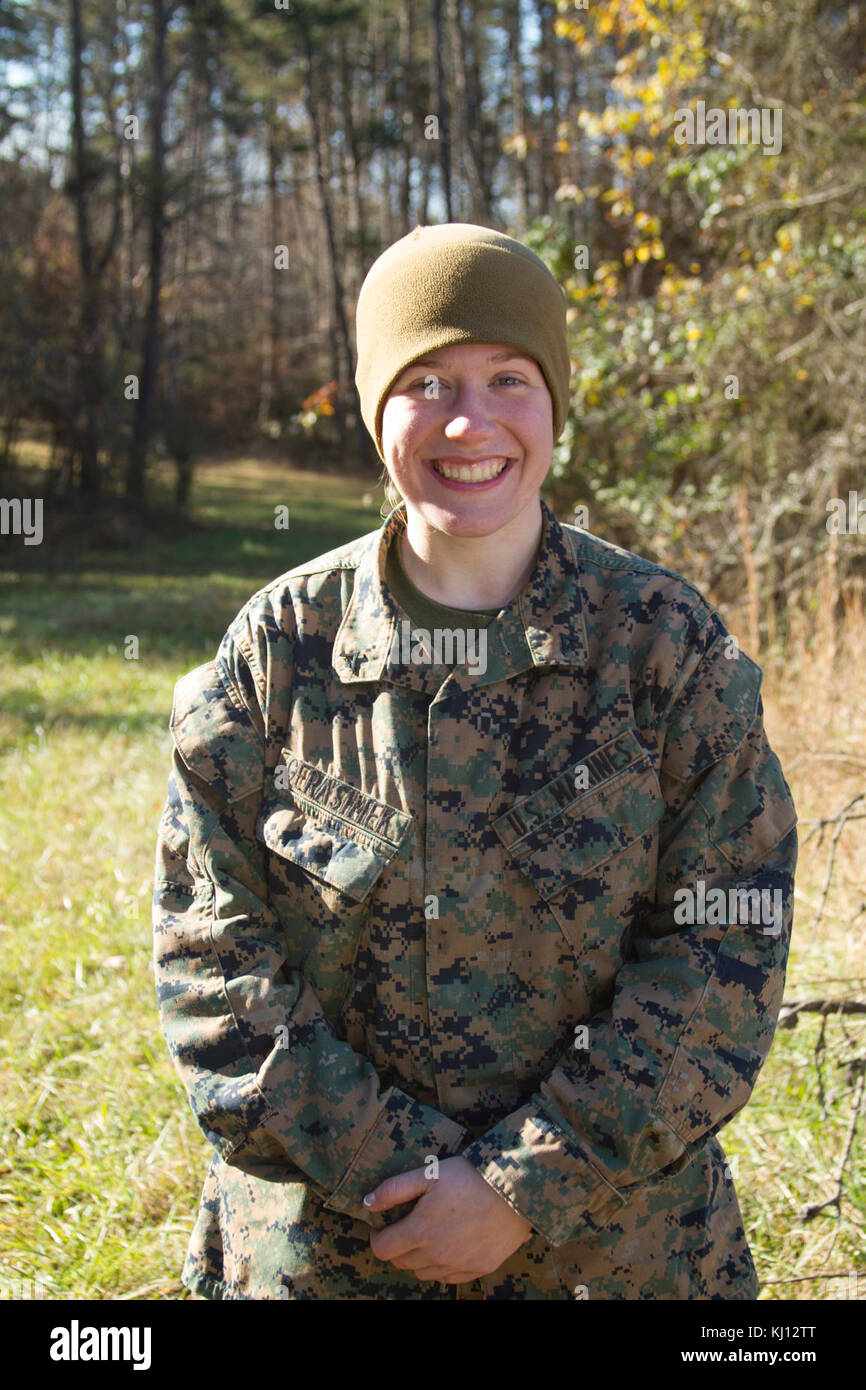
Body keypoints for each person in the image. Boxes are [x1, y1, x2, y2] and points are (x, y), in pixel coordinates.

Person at [153, 222, 798, 1300]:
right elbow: (213, 961)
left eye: (509, 377)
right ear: (374, 411)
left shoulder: (664, 648)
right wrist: (404, 1179)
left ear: (552, 404)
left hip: (618, 1253)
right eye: (424, 381)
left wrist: (516, 1188)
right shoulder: (274, 654)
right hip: (333, 1252)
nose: (470, 421)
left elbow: (721, 952)